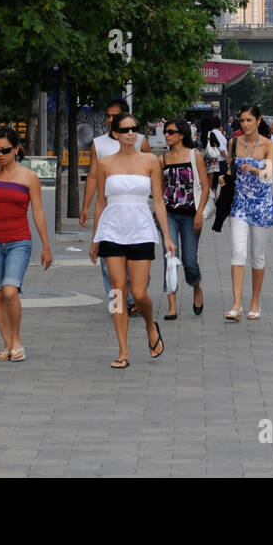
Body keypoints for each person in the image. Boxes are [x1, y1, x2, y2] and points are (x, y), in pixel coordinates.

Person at [90, 111, 175, 368]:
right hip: (112, 230)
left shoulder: (150, 161)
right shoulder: (105, 163)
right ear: (115, 133)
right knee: (118, 291)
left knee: (139, 294)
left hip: (140, 229)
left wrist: (167, 236)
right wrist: (95, 239)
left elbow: (158, 201)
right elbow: (100, 202)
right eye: (125, 129)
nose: (130, 133)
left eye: (134, 129)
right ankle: (123, 351)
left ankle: (150, 325)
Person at [0, 127, 51, 362]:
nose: (1, 155)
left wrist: (46, 246)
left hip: (19, 241)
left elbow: (38, 213)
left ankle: (16, 340)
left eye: (5, 150)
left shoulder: (29, 177)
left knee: (10, 292)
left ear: (17, 149)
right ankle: (8, 345)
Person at [80, 98, 152, 313]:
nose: (110, 120)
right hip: (109, 208)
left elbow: (151, 172)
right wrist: (86, 206)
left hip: (135, 210)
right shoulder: (99, 143)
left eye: (114, 116)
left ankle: (134, 299)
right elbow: (93, 175)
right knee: (108, 259)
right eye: (108, 116)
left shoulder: (140, 141)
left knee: (135, 258)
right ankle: (118, 301)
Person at [223, 105, 273, 322]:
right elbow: (230, 170)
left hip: (262, 204)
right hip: (239, 204)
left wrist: (255, 169)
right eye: (241, 120)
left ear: (258, 120)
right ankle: (237, 304)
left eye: (249, 120)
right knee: (238, 251)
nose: (244, 124)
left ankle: (255, 301)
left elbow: (268, 175)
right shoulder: (233, 142)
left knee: (257, 254)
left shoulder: (268, 145)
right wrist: (224, 178)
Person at [159, 118, 208, 320]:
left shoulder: (194, 156)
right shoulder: (162, 159)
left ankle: (196, 286)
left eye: (171, 132)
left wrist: (199, 213)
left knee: (189, 261)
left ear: (181, 134)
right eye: (165, 132)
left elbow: (205, 186)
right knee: (169, 259)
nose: (167, 135)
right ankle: (172, 305)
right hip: (169, 212)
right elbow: (161, 187)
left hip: (190, 214)